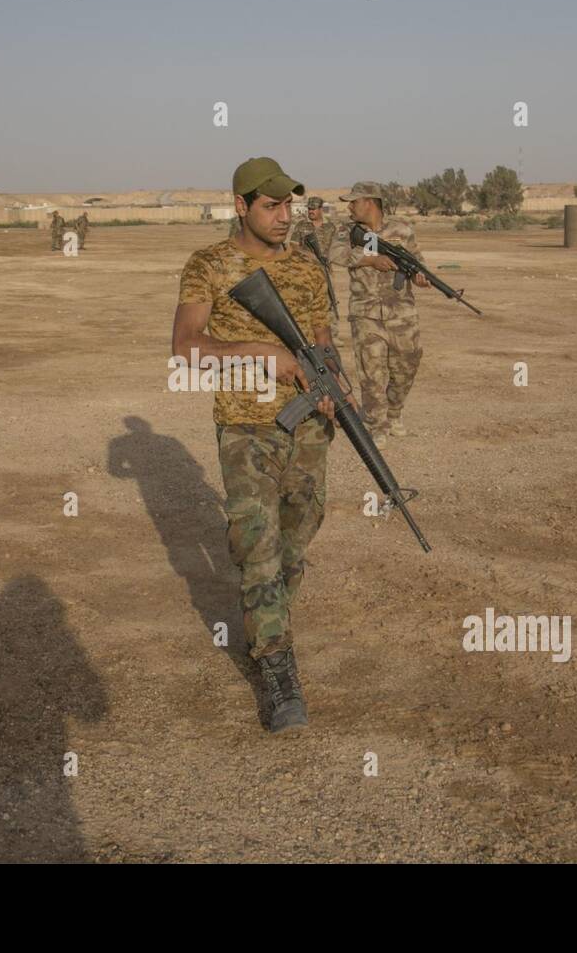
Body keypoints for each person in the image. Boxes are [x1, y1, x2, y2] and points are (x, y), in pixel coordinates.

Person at [172, 157, 342, 734]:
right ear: (241, 206)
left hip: (308, 426)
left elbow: (321, 339)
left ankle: (264, 617)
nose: (284, 216)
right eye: (271, 205)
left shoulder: (307, 267)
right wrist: (262, 354)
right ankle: (277, 673)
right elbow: (187, 350)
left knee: (300, 528)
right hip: (246, 427)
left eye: (288, 205)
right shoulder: (209, 266)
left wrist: (329, 383)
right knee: (259, 543)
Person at [332, 181, 433, 445]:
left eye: (354, 202)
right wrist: (369, 260)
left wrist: (421, 277)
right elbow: (335, 253)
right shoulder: (347, 230)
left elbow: (417, 261)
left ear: (370, 202)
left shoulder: (402, 230)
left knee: (407, 366)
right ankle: (376, 424)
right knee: (371, 372)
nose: (350, 207)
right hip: (365, 313)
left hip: (401, 313)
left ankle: (394, 413)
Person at [286, 196, 342, 347]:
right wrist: (308, 255)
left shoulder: (330, 227)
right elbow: (293, 245)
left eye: (313, 209)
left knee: (330, 300)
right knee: (307, 300)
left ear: (320, 210)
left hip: (326, 269)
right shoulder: (302, 226)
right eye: (309, 209)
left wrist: (330, 261)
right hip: (306, 271)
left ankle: (333, 334)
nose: (310, 211)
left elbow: (336, 247)